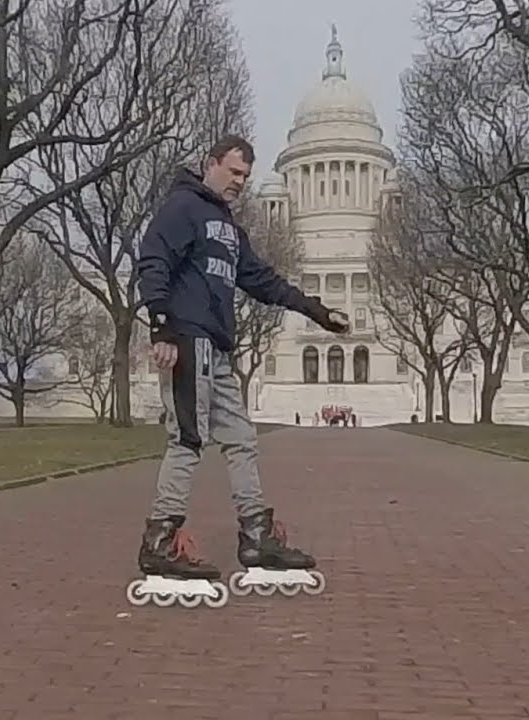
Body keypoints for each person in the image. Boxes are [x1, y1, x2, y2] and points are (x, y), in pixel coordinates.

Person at [134, 134, 349, 581]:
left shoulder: (230, 230)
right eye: (233, 172)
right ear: (209, 163)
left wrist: (317, 311)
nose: (239, 183)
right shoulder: (182, 208)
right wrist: (161, 326)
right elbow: (153, 260)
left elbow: (264, 282)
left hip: (218, 348)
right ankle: (159, 541)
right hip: (188, 340)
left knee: (242, 439)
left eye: (245, 177)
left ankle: (256, 535)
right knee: (188, 439)